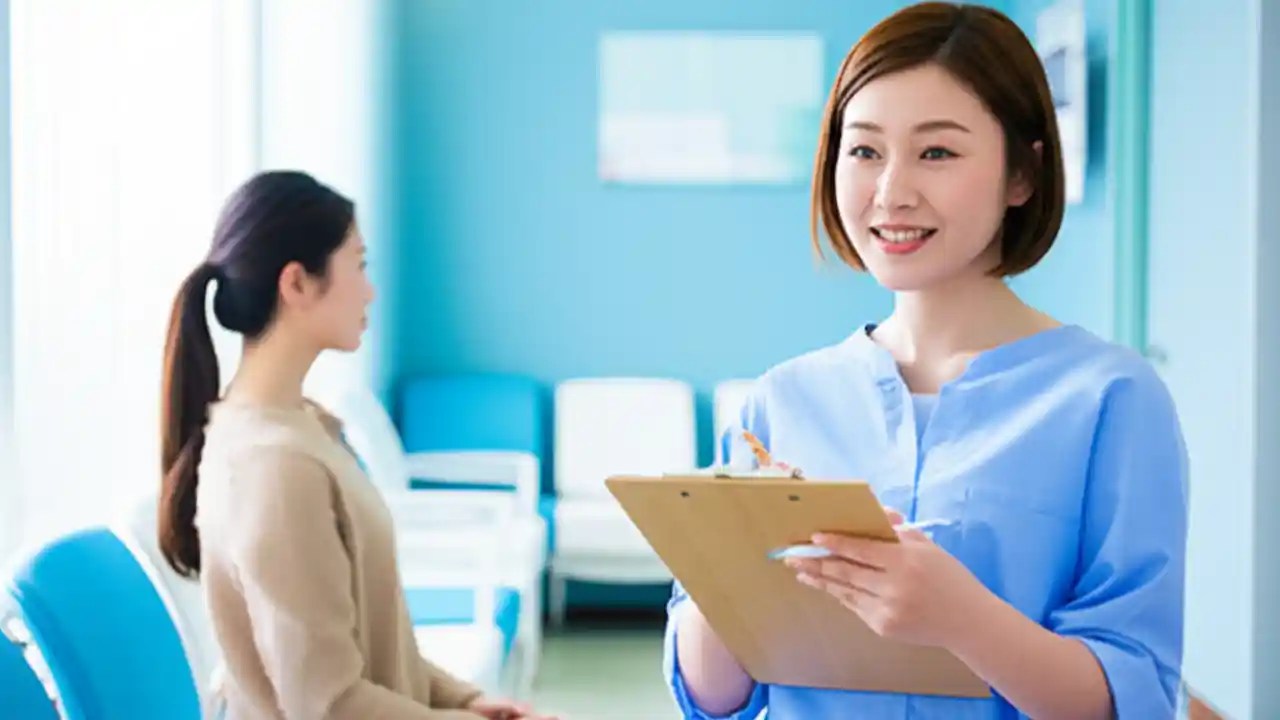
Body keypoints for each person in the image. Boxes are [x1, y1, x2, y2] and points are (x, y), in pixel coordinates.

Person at [663, 4, 1187, 719]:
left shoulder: (1110, 399)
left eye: (936, 152)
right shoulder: (781, 401)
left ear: (1022, 175)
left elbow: (1136, 698)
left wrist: (962, 617)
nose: (891, 192)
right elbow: (714, 697)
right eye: (865, 150)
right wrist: (727, 568)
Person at [158, 170, 557, 720]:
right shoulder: (274, 466)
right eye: (360, 265)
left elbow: (373, 649)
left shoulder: (301, 428)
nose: (369, 289)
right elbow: (329, 706)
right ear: (296, 283)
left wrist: (468, 702)